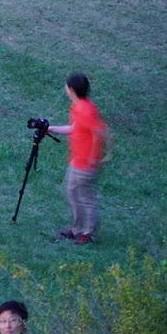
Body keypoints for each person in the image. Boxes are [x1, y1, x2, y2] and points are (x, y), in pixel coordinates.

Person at [45, 73, 108, 243]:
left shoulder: (86, 110)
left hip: (86, 163)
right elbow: (74, 128)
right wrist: (52, 128)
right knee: (72, 192)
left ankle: (89, 233)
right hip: (76, 160)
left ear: (71, 89)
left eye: (66, 86)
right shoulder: (78, 107)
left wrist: (94, 158)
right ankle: (77, 228)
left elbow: (98, 133)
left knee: (86, 198)